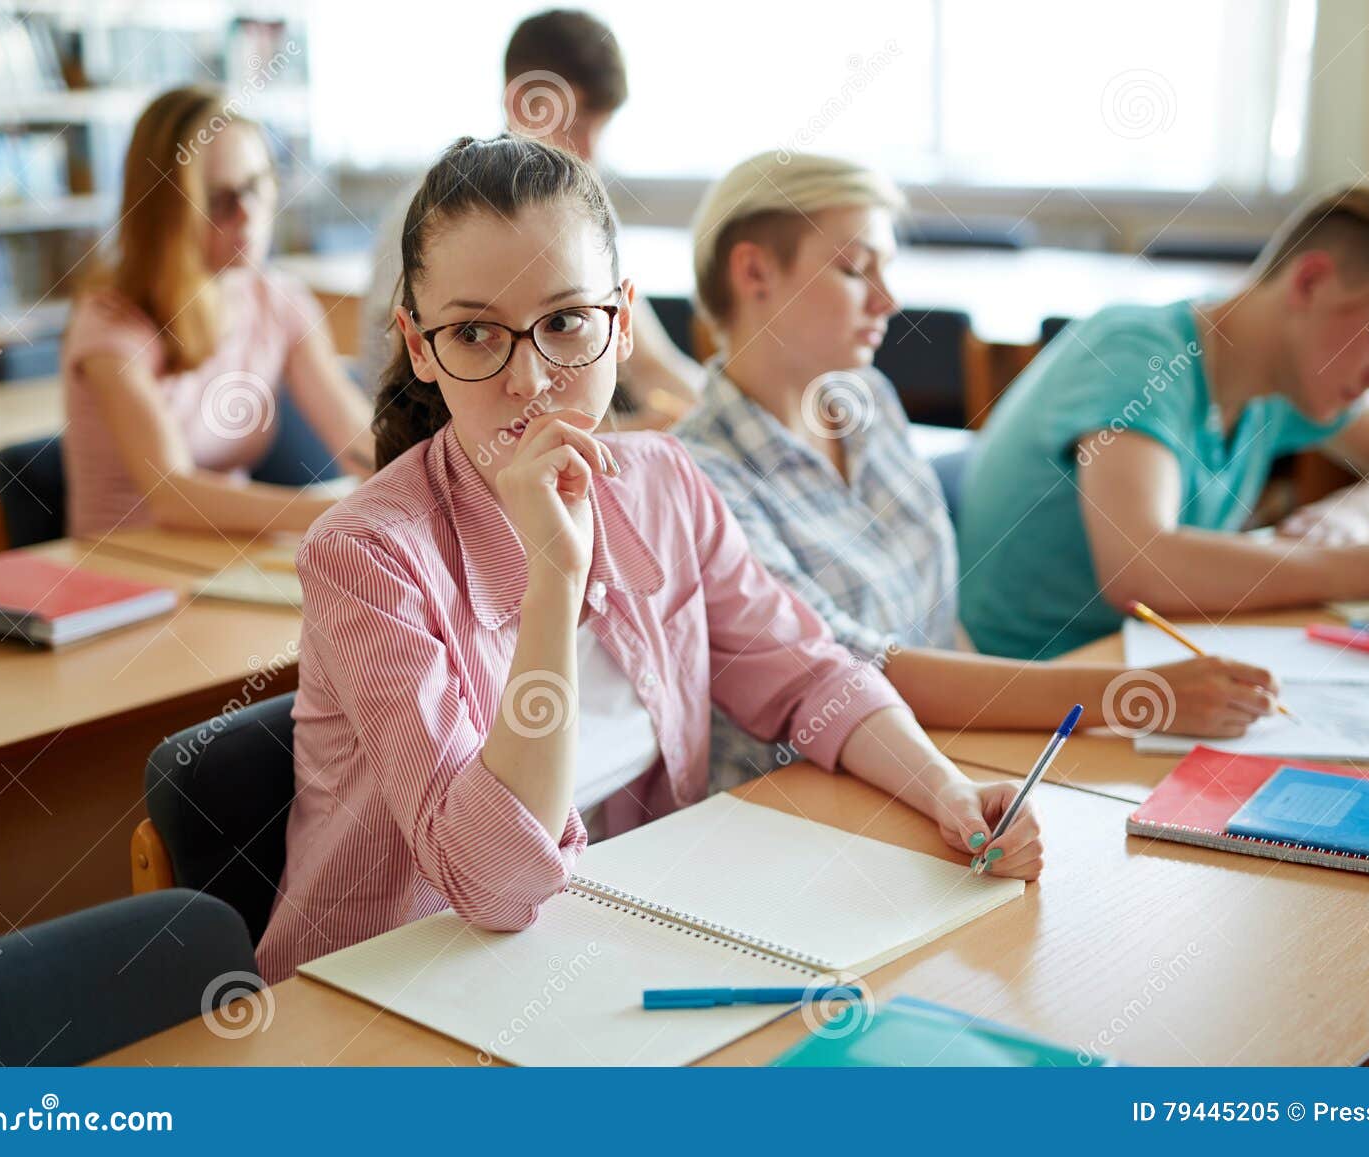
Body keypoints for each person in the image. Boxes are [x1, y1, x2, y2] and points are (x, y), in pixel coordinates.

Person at [255, 136, 1043, 982]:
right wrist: (554, 581)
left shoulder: (665, 481)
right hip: (381, 996)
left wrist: (946, 789)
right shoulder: (365, 555)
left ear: (624, 322)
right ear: (419, 345)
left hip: (600, 951)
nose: (530, 380)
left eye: (565, 323)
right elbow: (495, 881)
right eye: (476, 333)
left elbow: (812, 675)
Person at [673, 151, 1279, 789]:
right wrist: (1132, 693)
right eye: (854, 269)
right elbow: (850, 675)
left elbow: (939, 625)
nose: (888, 299)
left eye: (887, 269)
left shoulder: (868, 401)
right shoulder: (703, 478)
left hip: (939, 763)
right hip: (799, 801)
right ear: (754, 272)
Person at [957, 177, 1369, 660]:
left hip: (1145, 661)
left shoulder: (1284, 376)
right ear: (1311, 283)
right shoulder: (1138, 356)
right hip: (1030, 691)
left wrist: (1352, 518)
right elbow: (1141, 571)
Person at [358, 8, 700, 425]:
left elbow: (650, 363)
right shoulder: (438, 218)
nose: (590, 152)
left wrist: (725, 414)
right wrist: (637, 433)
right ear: (520, 101)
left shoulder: (576, 207)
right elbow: (436, 414)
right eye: (579, 124)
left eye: (601, 128)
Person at [61, 87, 373, 539]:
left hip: (228, 560)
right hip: (126, 576)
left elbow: (359, 441)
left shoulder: (279, 299)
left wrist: (419, 486)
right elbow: (172, 495)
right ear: (165, 211)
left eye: (255, 187)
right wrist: (331, 516)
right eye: (219, 200)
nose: (247, 215)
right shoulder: (112, 321)